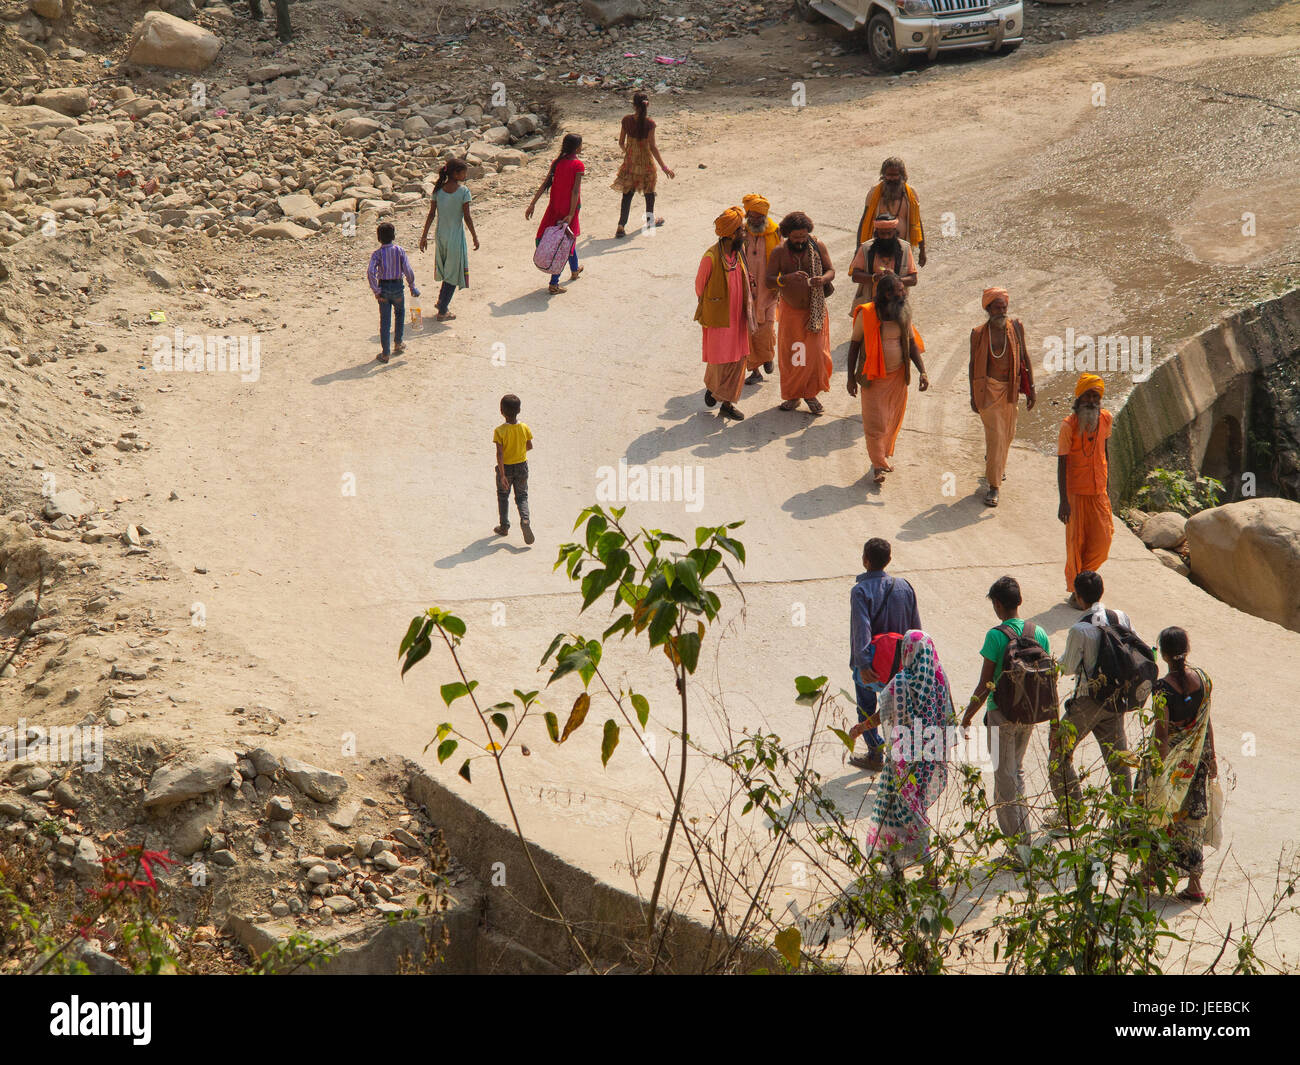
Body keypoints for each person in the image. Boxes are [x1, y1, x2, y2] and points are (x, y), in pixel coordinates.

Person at [960, 576, 1053, 844]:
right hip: (1029, 714)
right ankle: (1025, 837)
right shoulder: (1039, 632)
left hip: (1001, 715)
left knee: (1004, 780)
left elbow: (985, 683)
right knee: (1017, 772)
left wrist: (967, 717)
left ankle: (1020, 846)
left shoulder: (996, 635)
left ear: (998, 604)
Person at [866, 630, 956, 876]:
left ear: (908, 652)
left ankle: (925, 868)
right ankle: (897, 862)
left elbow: (883, 712)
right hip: (928, 758)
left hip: (902, 761)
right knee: (915, 808)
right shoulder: (940, 678)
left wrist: (860, 729)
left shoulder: (902, 681)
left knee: (903, 810)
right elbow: (949, 718)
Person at [1141, 626, 1217, 903]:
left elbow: (1161, 734)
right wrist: (1212, 758)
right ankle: (1195, 883)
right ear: (1188, 648)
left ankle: (1149, 871)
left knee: (1158, 813)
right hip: (1195, 761)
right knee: (1192, 820)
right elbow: (1206, 722)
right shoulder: (1204, 680)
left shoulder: (1161, 688)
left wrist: (1157, 772)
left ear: (1162, 653)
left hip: (1172, 764)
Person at [1051, 569, 1136, 818]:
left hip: (1088, 700)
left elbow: (1067, 667)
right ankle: (1124, 820)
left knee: (1059, 752)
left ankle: (1072, 812)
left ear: (1078, 596)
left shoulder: (1080, 629)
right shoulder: (1120, 616)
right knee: (1118, 760)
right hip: (1116, 698)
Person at [846, 272, 930, 485]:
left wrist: (923, 371)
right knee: (876, 424)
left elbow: (910, 343)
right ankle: (877, 466)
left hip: (898, 376)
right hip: (873, 378)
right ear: (884, 295)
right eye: (897, 291)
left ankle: (881, 457)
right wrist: (850, 378)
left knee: (891, 420)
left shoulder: (904, 311)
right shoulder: (867, 314)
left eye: (902, 290)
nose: (902, 294)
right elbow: (854, 346)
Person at [848, 537, 922, 772]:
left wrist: (862, 662)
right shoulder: (905, 587)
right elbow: (915, 629)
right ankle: (902, 755)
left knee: (866, 705)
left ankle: (875, 751)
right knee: (898, 708)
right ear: (889, 560)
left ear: (865, 560)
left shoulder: (860, 591)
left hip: (874, 666)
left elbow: (862, 628)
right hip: (900, 666)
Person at [970, 287, 1034, 507]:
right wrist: (972, 396)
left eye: (1004, 307)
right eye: (997, 307)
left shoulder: (1016, 327)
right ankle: (994, 487)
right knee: (996, 437)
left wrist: (1032, 389)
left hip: (1011, 391)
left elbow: (1024, 356)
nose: (1001, 311)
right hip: (988, 391)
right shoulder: (979, 333)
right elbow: (972, 365)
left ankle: (995, 465)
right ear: (988, 309)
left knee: (1007, 435)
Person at [765, 211, 835, 415]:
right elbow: (769, 279)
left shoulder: (817, 246)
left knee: (814, 356)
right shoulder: (779, 251)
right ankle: (793, 396)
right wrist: (786, 279)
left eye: (803, 237)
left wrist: (822, 279)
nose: (800, 241)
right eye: (796, 238)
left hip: (814, 311)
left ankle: (810, 395)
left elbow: (831, 270)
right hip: (791, 312)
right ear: (787, 235)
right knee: (794, 356)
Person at [692, 206, 752, 422]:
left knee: (738, 359)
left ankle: (726, 403)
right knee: (720, 359)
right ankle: (713, 388)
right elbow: (700, 287)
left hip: (739, 318)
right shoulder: (710, 257)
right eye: (741, 231)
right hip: (719, 319)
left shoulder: (739, 252)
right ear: (731, 234)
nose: (744, 234)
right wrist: (716, 303)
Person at [1058, 373, 1114, 602]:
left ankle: (1082, 580)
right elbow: (1062, 462)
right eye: (1087, 395)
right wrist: (1063, 500)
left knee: (1104, 540)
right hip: (1075, 492)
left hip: (1098, 490)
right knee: (1076, 544)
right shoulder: (1068, 426)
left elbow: (1105, 451)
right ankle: (1077, 590)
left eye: (1095, 396)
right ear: (1079, 399)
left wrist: (1107, 484)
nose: (1091, 400)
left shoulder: (1106, 419)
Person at [418, 157, 479, 322]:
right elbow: (467, 217)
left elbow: (431, 215)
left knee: (447, 269)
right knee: (453, 272)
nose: (466, 175)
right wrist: (474, 236)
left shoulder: (437, 191)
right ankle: (443, 311)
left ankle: (440, 302)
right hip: (455, 237)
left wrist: (424, 236)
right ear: (455, 173)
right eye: (463, 172)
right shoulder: (463, 191)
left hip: (441, 237)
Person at [526, 133, 584, 295]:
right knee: (563, 244)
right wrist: (571, 214)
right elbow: (574, 191)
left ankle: (574, 270)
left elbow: (545, 184)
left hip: (554, 208)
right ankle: (554, 283)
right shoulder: (578, 165)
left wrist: (532, 204)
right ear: (577, 147)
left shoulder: (556, 163)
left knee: (567, 240)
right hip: (569, 210)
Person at [611, 91, 674, 237]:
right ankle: (650, 220)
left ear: (633, 105)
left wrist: (629, 152)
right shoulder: (650, 124)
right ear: (648, 105)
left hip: (630, 163)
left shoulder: (626, 120)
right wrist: (665, 167)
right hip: (646, 163)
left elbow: (621, 142)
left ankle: (621, 225)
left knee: (627, 194)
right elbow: (652, 147)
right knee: (649, 192)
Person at [854, 157, 926, 268]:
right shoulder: (874, 193)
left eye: (895, 175)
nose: (891, 179)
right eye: (889, 175)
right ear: (883, 175)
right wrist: (858, 248)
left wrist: (922, 249)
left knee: (900, 281)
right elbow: (864, 221)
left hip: (902, 247)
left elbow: (917, 221)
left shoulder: (911, 194)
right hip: (878, 247)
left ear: (902, 175)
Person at [740, 194, 780, 385]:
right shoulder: (741, 233)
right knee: (749, 332)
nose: (755, 221)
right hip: (746, 291)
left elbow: (781, 258)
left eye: (759, 218)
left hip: (769, 291)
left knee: (767, 329)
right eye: (752, 217)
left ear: (765, 217)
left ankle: (768, 356)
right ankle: (755, 371)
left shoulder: (775, 232)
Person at [367, 221, 419, 364]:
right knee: (400, 315)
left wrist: (376, 290)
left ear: (379, 238)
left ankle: (385, 353)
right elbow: (407, 269)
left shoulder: (377, 254)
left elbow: (371, 272)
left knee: (385, 321)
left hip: (383, 289)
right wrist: (412, 285)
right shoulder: (399, 251)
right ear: (394, 236)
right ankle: (398, 342)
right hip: (397, 287)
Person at [848, 216, 917, 320]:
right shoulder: (866, 248)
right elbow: (855, 276)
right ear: (876, 233)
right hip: (871, 303)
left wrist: (895, 279)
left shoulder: (905, 248)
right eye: (882, 234)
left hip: (897, 306)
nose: (886, 237)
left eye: (889, 233)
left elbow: (913, 279)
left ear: (895, 232)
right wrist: (874, 277)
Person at [493, 393, 534, 545]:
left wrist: (502, 475)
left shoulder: (499, 431)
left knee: (503, 496)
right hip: (522, 466)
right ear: (519, 410)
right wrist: (519, 452)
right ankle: (525, 519)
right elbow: (529, 446)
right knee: (522, 496)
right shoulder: (524, 427)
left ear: (501, 411)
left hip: (506, 468)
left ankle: (504, 527)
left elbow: (500, 454)